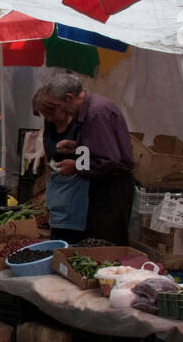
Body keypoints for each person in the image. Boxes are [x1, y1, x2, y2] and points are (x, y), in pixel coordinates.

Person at [43, 73, 135, 245]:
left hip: (112, 187)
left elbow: (109, 160)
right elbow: (102, 148)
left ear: (69, 98)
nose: (60, 111)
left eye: (58, 105)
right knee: (98, 239)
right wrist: (78, 146)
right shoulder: (92, 109)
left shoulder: (96, 112)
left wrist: (76, 166)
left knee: (106, 242)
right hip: (104, 185)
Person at [34, 85, 89, 245]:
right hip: (57, 188)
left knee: (72, 239)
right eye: (45, 115)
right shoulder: (50, 122)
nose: (49, 118)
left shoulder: (81, 123)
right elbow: (48, 150)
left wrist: (76, 163)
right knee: (57, 238)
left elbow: (94, 158)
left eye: (50, 113)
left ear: (61, 106)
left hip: (78, 191)